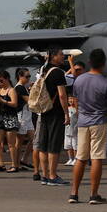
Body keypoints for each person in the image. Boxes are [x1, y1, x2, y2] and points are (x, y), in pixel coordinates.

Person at [68, 48, 107, 204]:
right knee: (96, 157)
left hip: (83, 121)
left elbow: (74, 101)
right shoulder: (106, 82)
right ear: (103, 63)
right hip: (99, 121)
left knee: (80, 157)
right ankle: (94, 194)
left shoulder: (79, 80)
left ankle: (74, 193)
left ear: (89, 62)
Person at [33, 50, 70, 187]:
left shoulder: (43, 70)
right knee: (54, 145)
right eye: (60, 54)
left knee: (43, 145)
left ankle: (45, 175)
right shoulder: (58, 72)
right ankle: (53, 175)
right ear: (54, 56)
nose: (63, 57)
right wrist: (66, 113)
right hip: (55, 112)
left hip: (43, 111)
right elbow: (61, 95)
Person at [0, 75, 21, 172]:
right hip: (1, 118)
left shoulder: (11, 90)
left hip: (11, 118)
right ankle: (1, 164)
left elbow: (15, 104)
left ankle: (14, 165)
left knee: (11, 144)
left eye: (1, 81)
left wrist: (2, 100)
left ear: (7, 79)